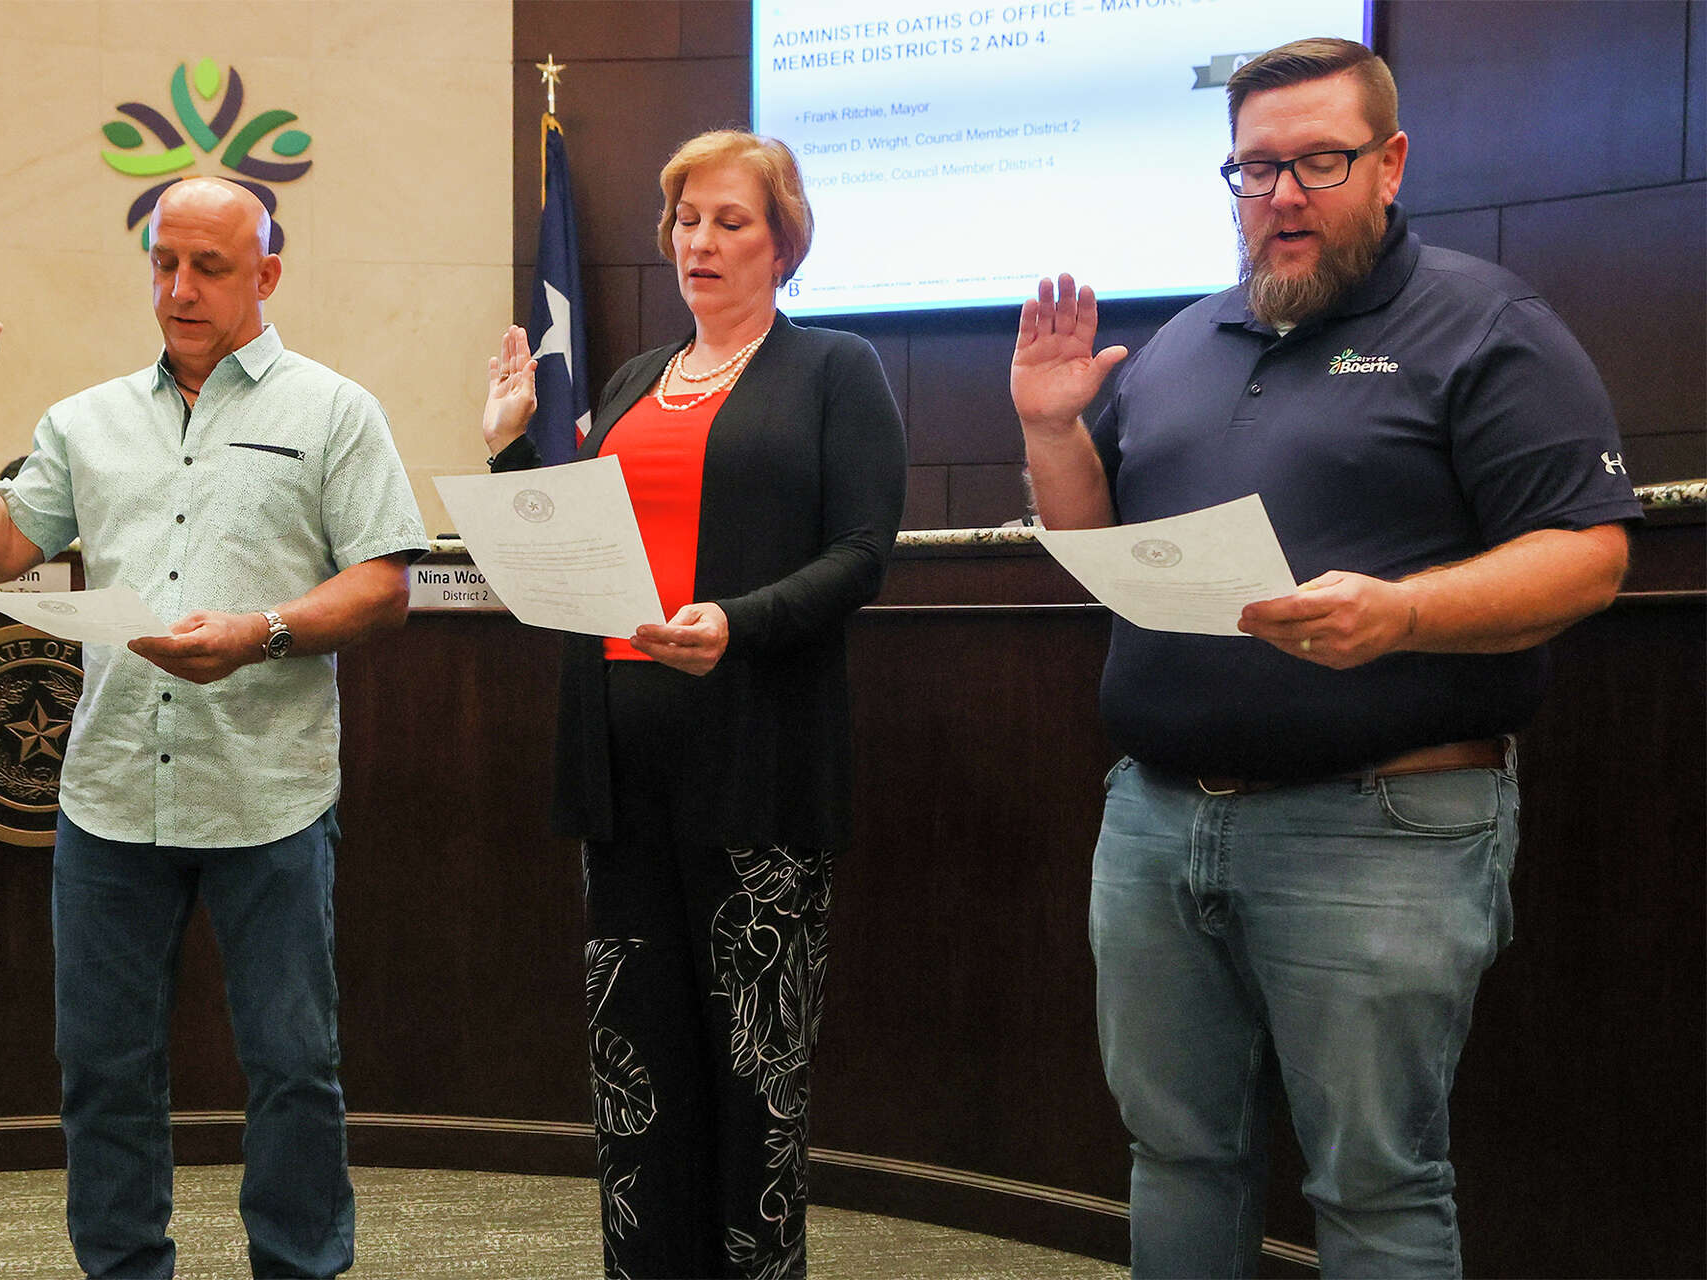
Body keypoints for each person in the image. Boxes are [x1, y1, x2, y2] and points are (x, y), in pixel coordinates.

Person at [1009, 38, 1641, 1278]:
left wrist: (1401, 613)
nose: (1283, 195)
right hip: (1155, 819)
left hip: (1382, 822)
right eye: (1255, 168)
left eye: (1320, 162)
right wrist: (1050, 429)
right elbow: (1098, 548)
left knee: (1375, 1183)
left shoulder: (1488, 322)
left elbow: (1591, 555)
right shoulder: (1185, 341)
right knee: (1175, 1152)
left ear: (1391, 164)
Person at [0, 177, 427, 1279]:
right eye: (164, 262)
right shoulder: (86, 421)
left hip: (268, 794)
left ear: (266, 275)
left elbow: (383, 583)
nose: (179, 288)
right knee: (104, 1070)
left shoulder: (333, 410)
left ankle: (299, 1266)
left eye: (211, 267)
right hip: (114, 792)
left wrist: (263, 628)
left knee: (291, 1065)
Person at [480, 130, 906, 1278]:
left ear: (784, 241)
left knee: (754, 1077)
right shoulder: (627, 382)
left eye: (731, 220)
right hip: (620, 770)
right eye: (685, 220)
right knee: (636, 1071)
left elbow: (865, 552)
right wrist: (516, 450)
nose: (700, 241)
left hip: (756, 768)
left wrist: (739, 619)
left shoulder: (834, 370)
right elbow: (565, 554)